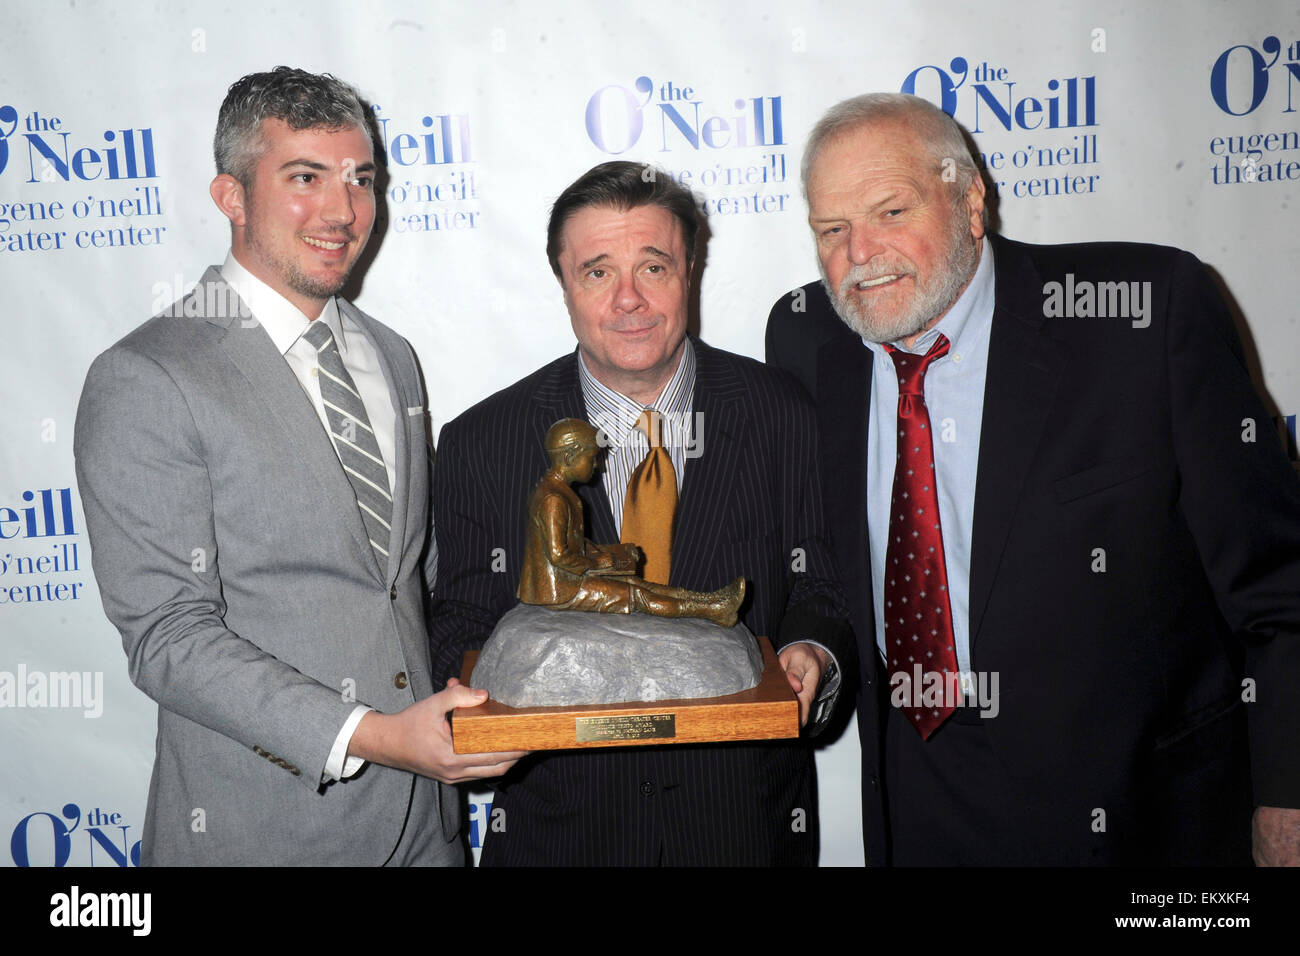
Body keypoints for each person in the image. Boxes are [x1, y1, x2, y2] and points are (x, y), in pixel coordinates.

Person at [766, 92, 1300, 865]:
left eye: (890, 211)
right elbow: (849, 566)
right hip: (916, 805)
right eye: (832, 230)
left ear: (971, 200)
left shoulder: (1142, 315)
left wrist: (1286, 792)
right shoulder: (808, 336)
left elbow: (1279, 583)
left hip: (1138, 816)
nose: (860, 255)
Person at [73, 66, 519, 866]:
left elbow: (406, 587)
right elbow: (168, 636)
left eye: (361, 179)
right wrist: (375, 737)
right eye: (305, 178)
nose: (344, 211)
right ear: (230, 196)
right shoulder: (147, 375)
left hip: (429, 829)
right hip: (263, 832)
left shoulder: (392, 356)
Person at [429, 160, 854, 865]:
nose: (629, 300)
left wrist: (814, 655)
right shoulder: (480, 442)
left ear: (690, 270)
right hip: (562, 834)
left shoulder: (785, 414)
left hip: (744, 829)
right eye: (598, 272)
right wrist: (473, 706)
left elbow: (824, 583)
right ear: (564, 284)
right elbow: (462, 619)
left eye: (653, 267)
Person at [518, 418, 745, 626]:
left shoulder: (555, 491)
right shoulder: (553, 499)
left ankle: (711, 600)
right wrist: (601, 564)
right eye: (592, 458)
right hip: (561, 589)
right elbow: (559, 556)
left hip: (568, 579)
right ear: (570, 457)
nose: (597, 465)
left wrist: (614, 552)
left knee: (638, 583)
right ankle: (712, 610)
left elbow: (574, 543)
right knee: (637, 596)